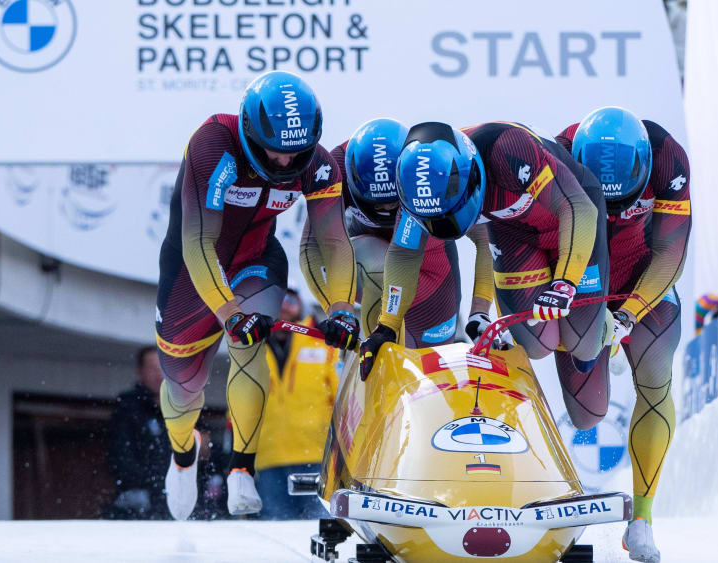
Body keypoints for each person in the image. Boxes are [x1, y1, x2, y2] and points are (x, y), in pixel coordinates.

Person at [155, 70, 358, 519]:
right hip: (193, 270)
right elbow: (198, 244)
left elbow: (335, 241)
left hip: (256, 261)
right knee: (184, 386)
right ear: (250, 132)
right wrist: (228, 311)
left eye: (296, 153)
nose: (286, 163)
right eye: (275, 151)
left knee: (249, 344)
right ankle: (183, 454)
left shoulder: (320, 164)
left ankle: (240, 468)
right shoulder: (213, 144)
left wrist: (342, 307)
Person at [360, 121, 612, 420]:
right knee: (538, 345)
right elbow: (404, 255)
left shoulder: (507, 150)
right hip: (515, 234)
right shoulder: (417, 189)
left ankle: (603, 327)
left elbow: (578, 208)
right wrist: (386, 325)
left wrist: (566, 282)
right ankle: (576, 321)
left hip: (574, 217)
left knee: (583, 367)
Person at [557, 106, 692, 563]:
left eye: (622, 202)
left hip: (643, 285)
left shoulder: (668, 159)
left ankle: (642, 518)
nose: (613, 212)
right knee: (586, 415)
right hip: (585, 284)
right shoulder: (560, 154)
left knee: (656, 378)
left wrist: (631, 312)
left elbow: (672, 248)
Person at [302, 118, 494, 345]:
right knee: (365, 254)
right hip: (379, 277)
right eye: (376, 204)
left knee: (370, 256)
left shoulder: (426, 168)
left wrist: (479, 312)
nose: (386, 210)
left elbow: (487, 238)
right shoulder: (336, 169)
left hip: (432, 289)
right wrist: (338, 312)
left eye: (394, 203)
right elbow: (313, 247)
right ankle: (372, 346)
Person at [105, 347, 224, 520]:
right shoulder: (128, 408)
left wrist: (206, 451)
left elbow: (209, 452)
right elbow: (120, 456)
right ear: (140, 372)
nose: (159, 374)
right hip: (142, 501)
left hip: (184, 498)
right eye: (152, 368)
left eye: (163, 368)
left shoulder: (186, 405)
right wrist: (153, 483)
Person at [254, 289, 337, 520]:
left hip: (315, 456)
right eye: (276, 299)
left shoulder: (323, 341)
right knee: (276, 537)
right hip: (267, 458)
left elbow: (340, 396)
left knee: (320, 530)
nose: (283, 305)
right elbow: (239, 402)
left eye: (289, 299)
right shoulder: (251, 344)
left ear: (300, 303)